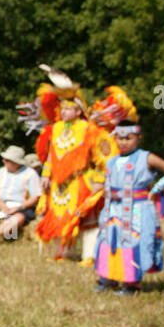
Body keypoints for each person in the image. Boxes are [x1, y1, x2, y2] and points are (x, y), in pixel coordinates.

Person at [94, 125, 164, 294]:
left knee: (134, 243)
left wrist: (156, 190)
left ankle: (132, 283)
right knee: (108, 241)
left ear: (139, 138)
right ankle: (108, 278)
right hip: (113, 210)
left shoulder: (146, 158)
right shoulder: (111, 161)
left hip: (137, 210)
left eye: (128, 138)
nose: (123, 142)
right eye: (120, 138)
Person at [34, 68, 110, 261]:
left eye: (68, 108)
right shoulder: (56, 129)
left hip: (82, 180)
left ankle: (89, 255)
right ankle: (63, 253)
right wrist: (45, 175)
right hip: (59, 183)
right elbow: (51, 155)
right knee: (60, 215)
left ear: (78, 111)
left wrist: (99, 181)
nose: (63, 111)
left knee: (86, 219)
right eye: (62, 108)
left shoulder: (89, 129)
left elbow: (102, 158)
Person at [0, 145, 42, 241]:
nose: (3, 161)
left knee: (17, 218)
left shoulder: (30, 174)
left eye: (7, 160)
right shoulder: (0, 172)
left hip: (20, 207)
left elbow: (35, 197)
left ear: (16, 163)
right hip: (0, 204)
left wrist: (18, 208)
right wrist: (2, 206)